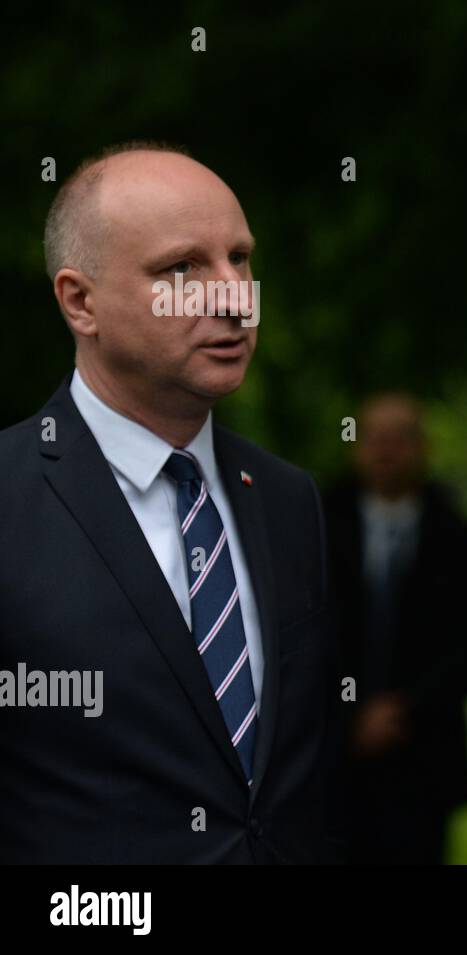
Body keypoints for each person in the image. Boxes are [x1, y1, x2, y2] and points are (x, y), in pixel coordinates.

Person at [0, 142, 342, 863]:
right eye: (181, 268)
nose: (233, 294)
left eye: (240, 258)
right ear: (79, 301)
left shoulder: (288, 501)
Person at [325, 393, 467, 864]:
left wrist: (404, 710)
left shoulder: (461, 538)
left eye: (399, 439)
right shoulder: (314, 528)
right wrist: (350, 716)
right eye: (375, 438)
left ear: (422, 448)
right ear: (356, 447)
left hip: (424, 761)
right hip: (331, 759)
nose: (386, 450)